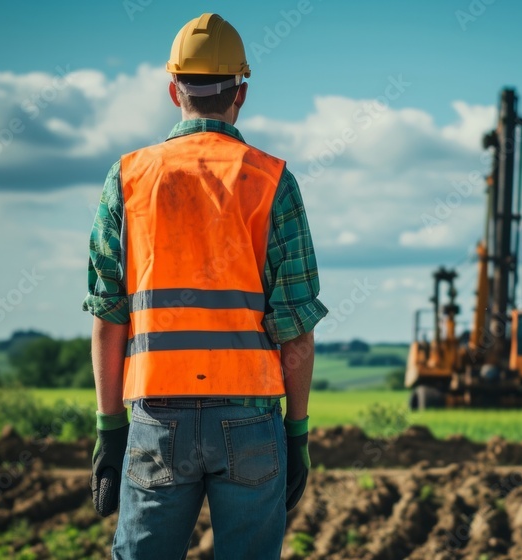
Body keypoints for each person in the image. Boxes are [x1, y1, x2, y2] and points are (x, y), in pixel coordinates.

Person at [82, 13, 327, 559]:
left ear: (174, 91)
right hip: (251, 418)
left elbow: (108, 315)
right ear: (241, 93)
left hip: (155, 415)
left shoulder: (127, 178)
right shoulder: (271, 180)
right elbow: (297, 331)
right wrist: (298, 431)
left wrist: (108, 426)